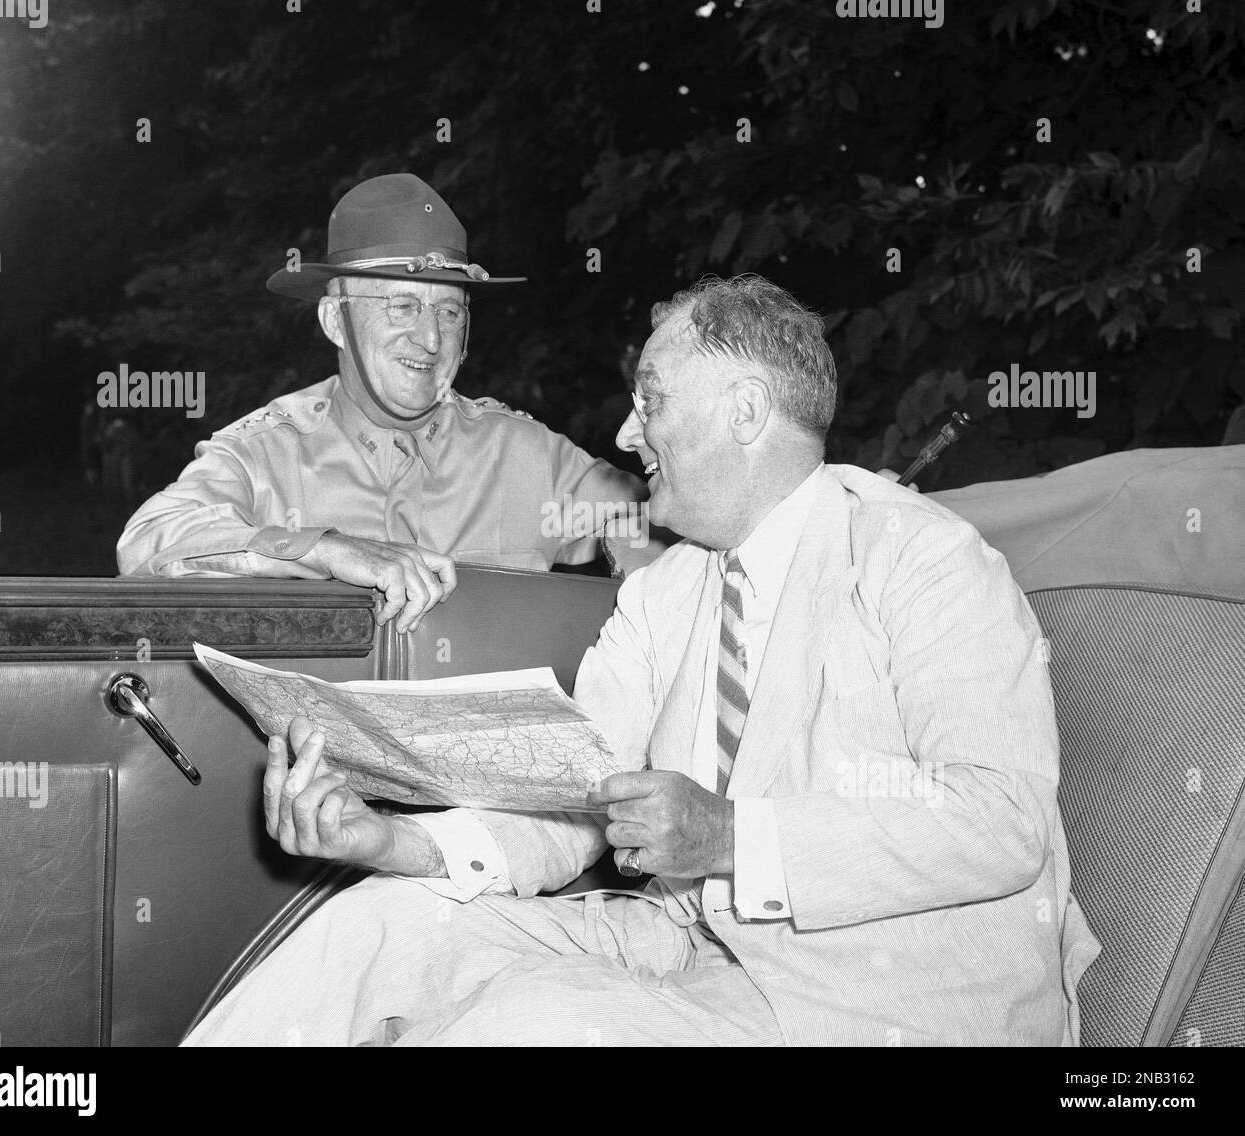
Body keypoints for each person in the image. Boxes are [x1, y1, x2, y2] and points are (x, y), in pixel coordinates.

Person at [184, 274, 1099, 1047]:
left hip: (889, 993)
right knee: (379, 926)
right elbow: (576, 804)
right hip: (690, 943)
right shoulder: (664, 595)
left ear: (744, 411)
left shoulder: (924, 558)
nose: (626, 433)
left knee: (532, 1024)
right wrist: (386, 841)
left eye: (651, 399)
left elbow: (1003, 819)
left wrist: (736, 838)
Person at [117, 173, 648, 631]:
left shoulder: (526, 455)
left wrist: (643, 572)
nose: (432, 340)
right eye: (401, 306)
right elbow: (145, 545)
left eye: (451, 312)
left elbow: (662, 523)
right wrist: (323, 549)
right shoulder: (267, 454)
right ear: (335, 321)